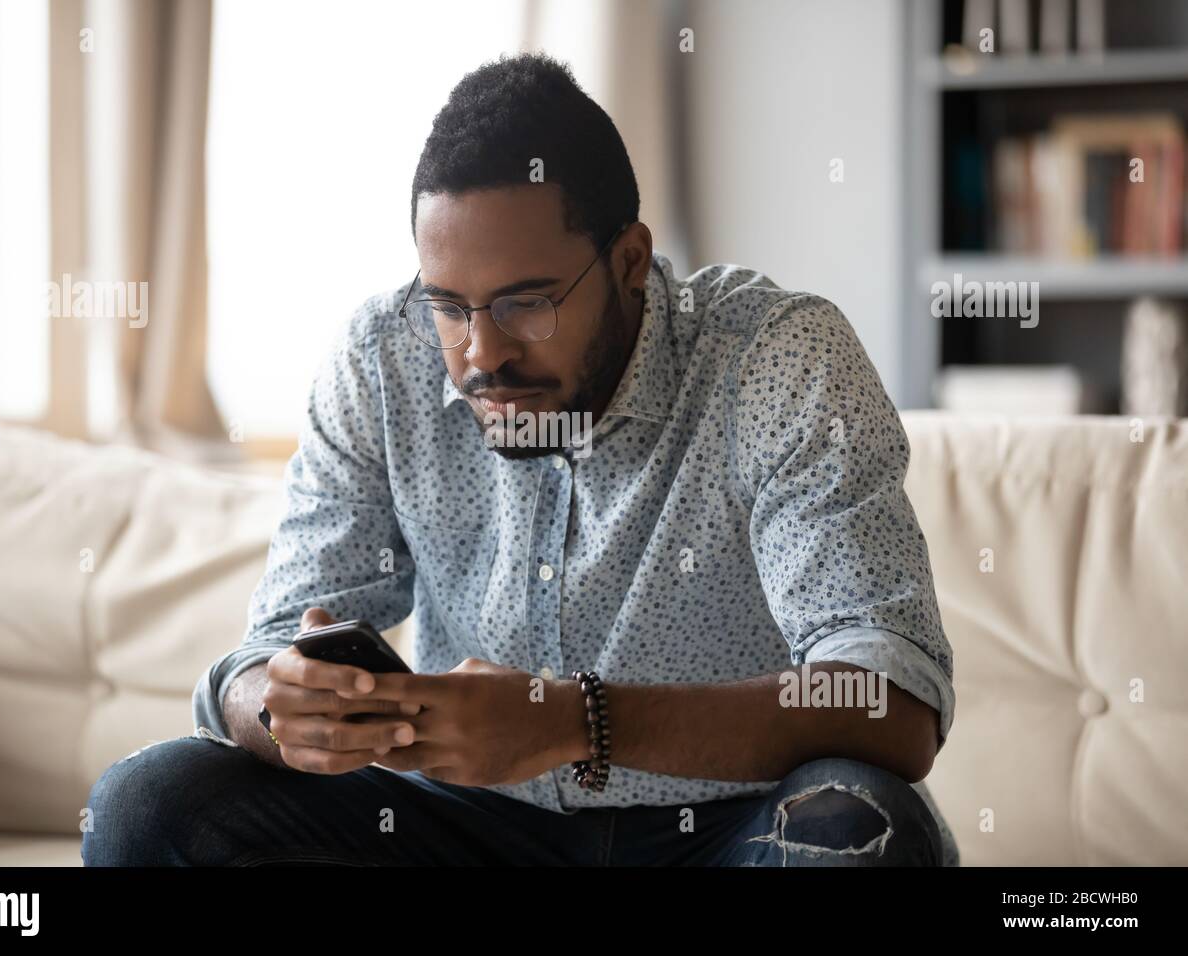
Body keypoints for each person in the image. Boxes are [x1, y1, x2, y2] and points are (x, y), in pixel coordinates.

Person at [83, 52, 957, 867]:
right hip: (457, 824)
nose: (479, 354)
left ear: (630, 262)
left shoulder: (775, 357)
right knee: (149, 807)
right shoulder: (380, 361)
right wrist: (287, 711)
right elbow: (259, 661)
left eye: (525, 303)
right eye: (449, 306)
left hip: (722, 830)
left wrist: (578, 722)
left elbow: (891, 705)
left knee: (855, 828)